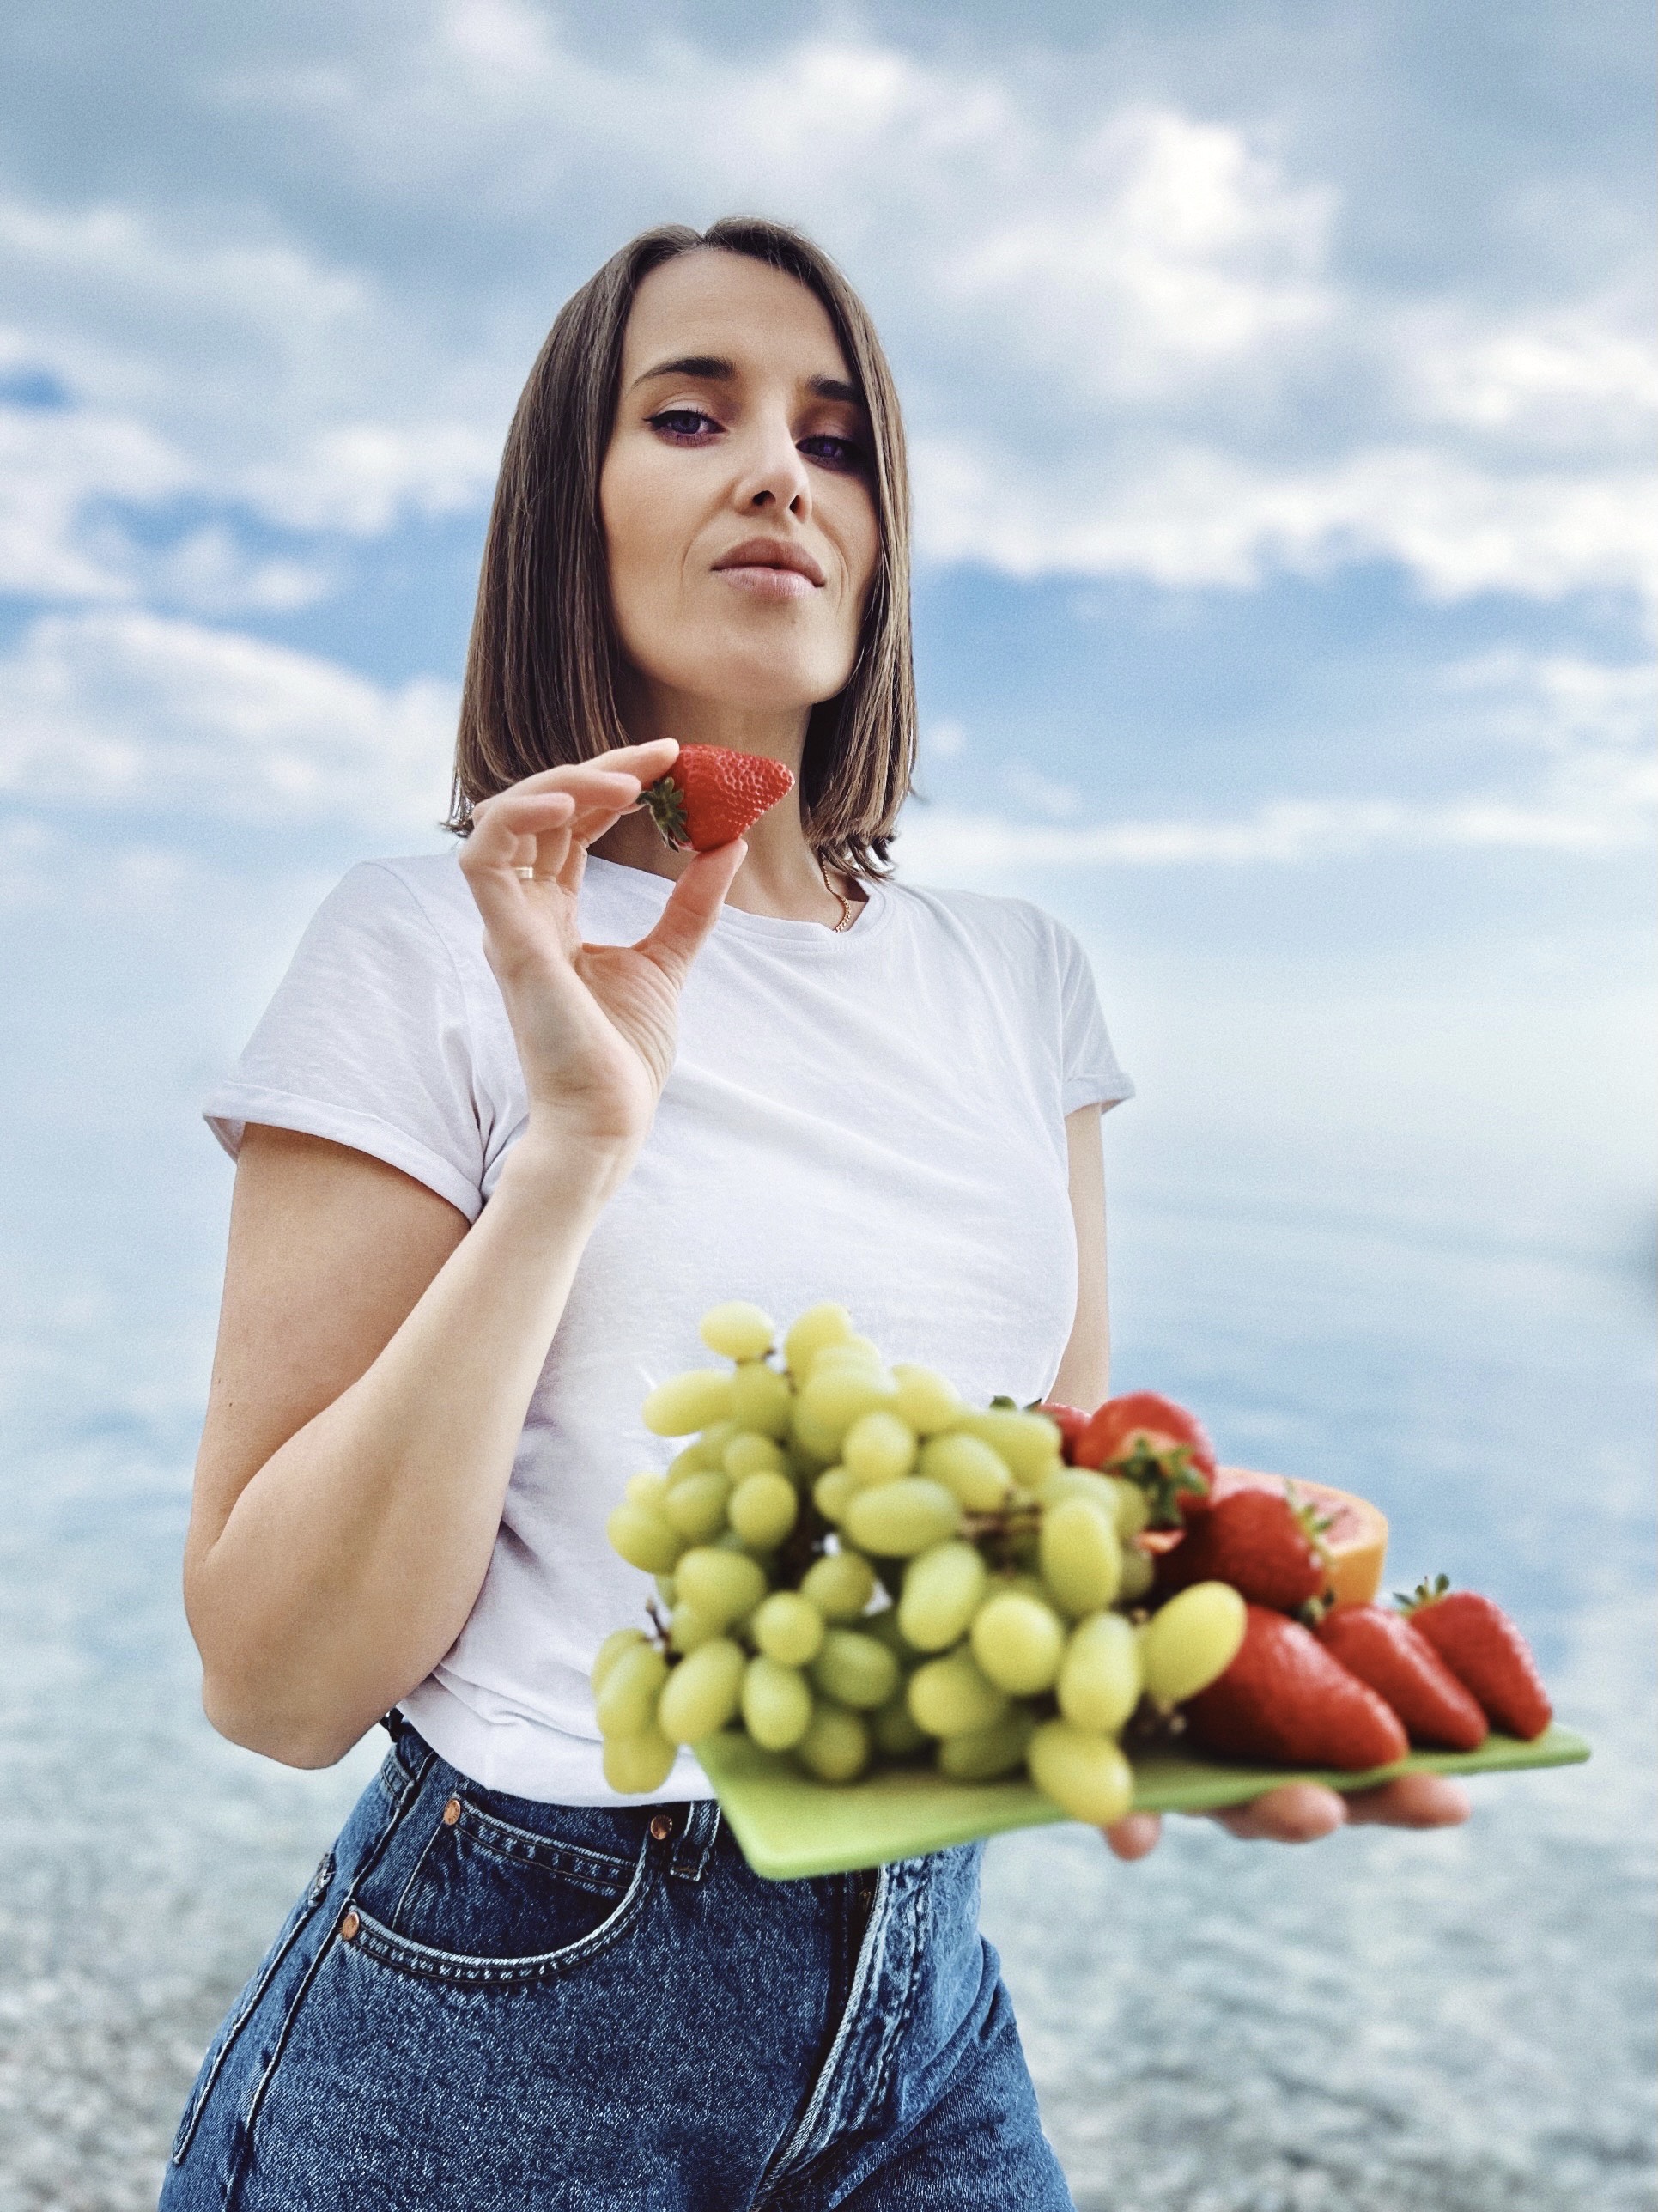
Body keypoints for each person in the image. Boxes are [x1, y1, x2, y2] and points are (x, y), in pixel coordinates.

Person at [161, 218, 1467, 2211]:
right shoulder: (423, 946)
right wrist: (577, 1155)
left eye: (838, 439)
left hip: (923, 2002)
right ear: (567, 517)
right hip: (510, 2006)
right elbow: (273, 1684)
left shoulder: (1021, 980)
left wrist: (1223, 1667)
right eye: (693, 414)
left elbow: (1030, 1512)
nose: (782, 468)